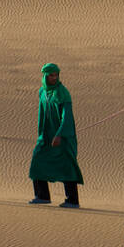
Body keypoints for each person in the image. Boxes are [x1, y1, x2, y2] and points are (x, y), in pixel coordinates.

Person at [28, 62, 84, 208]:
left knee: (67, 166)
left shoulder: (62, 93)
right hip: (46, 137)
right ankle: (42, 196)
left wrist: (60, 134)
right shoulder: (42, 91)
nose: (54, 78)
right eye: (51, 75)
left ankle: (72, 200)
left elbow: (67, 117)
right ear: (45, 76)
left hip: (62, 137)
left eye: (56, 75)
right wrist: (42, 135)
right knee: (38, 161)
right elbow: (42, 114)